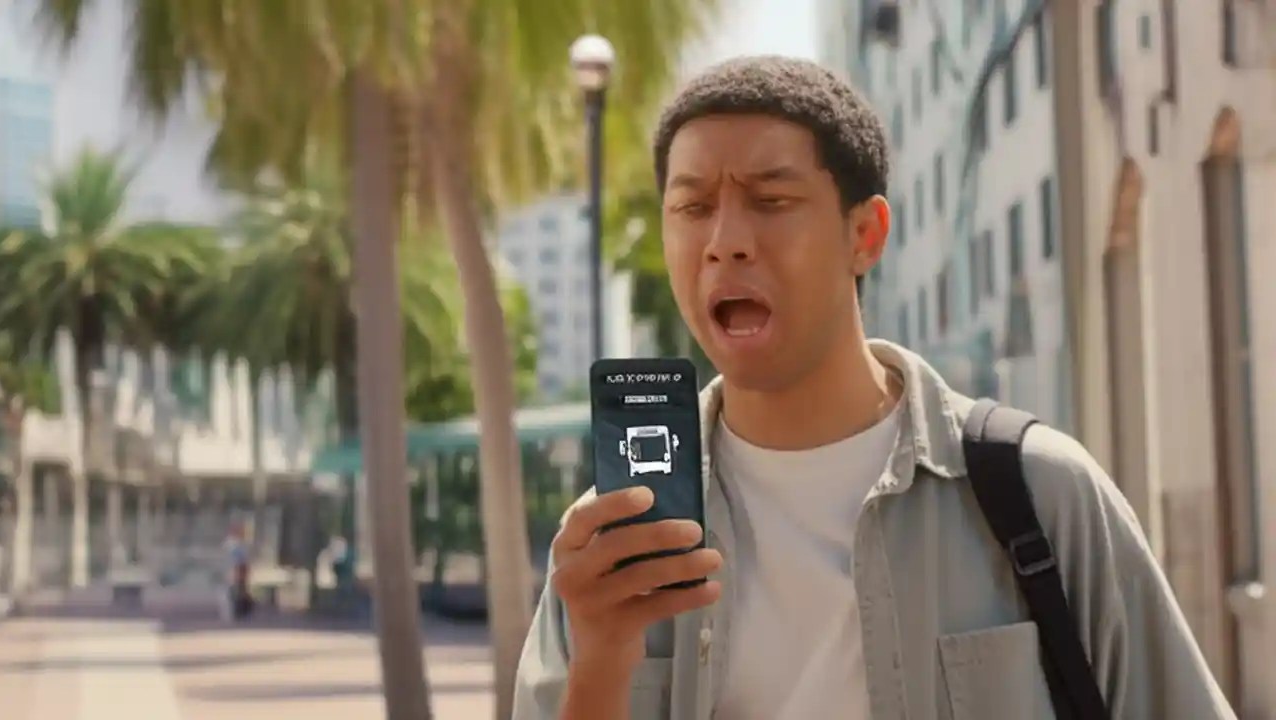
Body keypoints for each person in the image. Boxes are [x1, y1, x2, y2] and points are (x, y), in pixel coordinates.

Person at [512, 56, 1235, 720]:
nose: (724, 239)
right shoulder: (618, 542)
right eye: (693, 207)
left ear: (866, 233)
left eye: (770, 200)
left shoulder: (1040, 495)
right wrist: (601, 661)